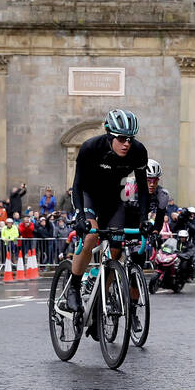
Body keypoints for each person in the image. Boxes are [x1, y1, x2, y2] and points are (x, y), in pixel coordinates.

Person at [62, 110, 150, 334]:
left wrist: (143, 220)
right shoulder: (91, 148)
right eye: (121, 139)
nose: (126, 144)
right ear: (110, 135)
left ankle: (100, 303)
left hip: (113, 200)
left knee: (117, 249)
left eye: (130, 138)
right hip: (88, 195)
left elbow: (142, 189)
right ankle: (73, 285)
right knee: (91, 236)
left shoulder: (138, 152)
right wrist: (81, 216)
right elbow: (78, 184)